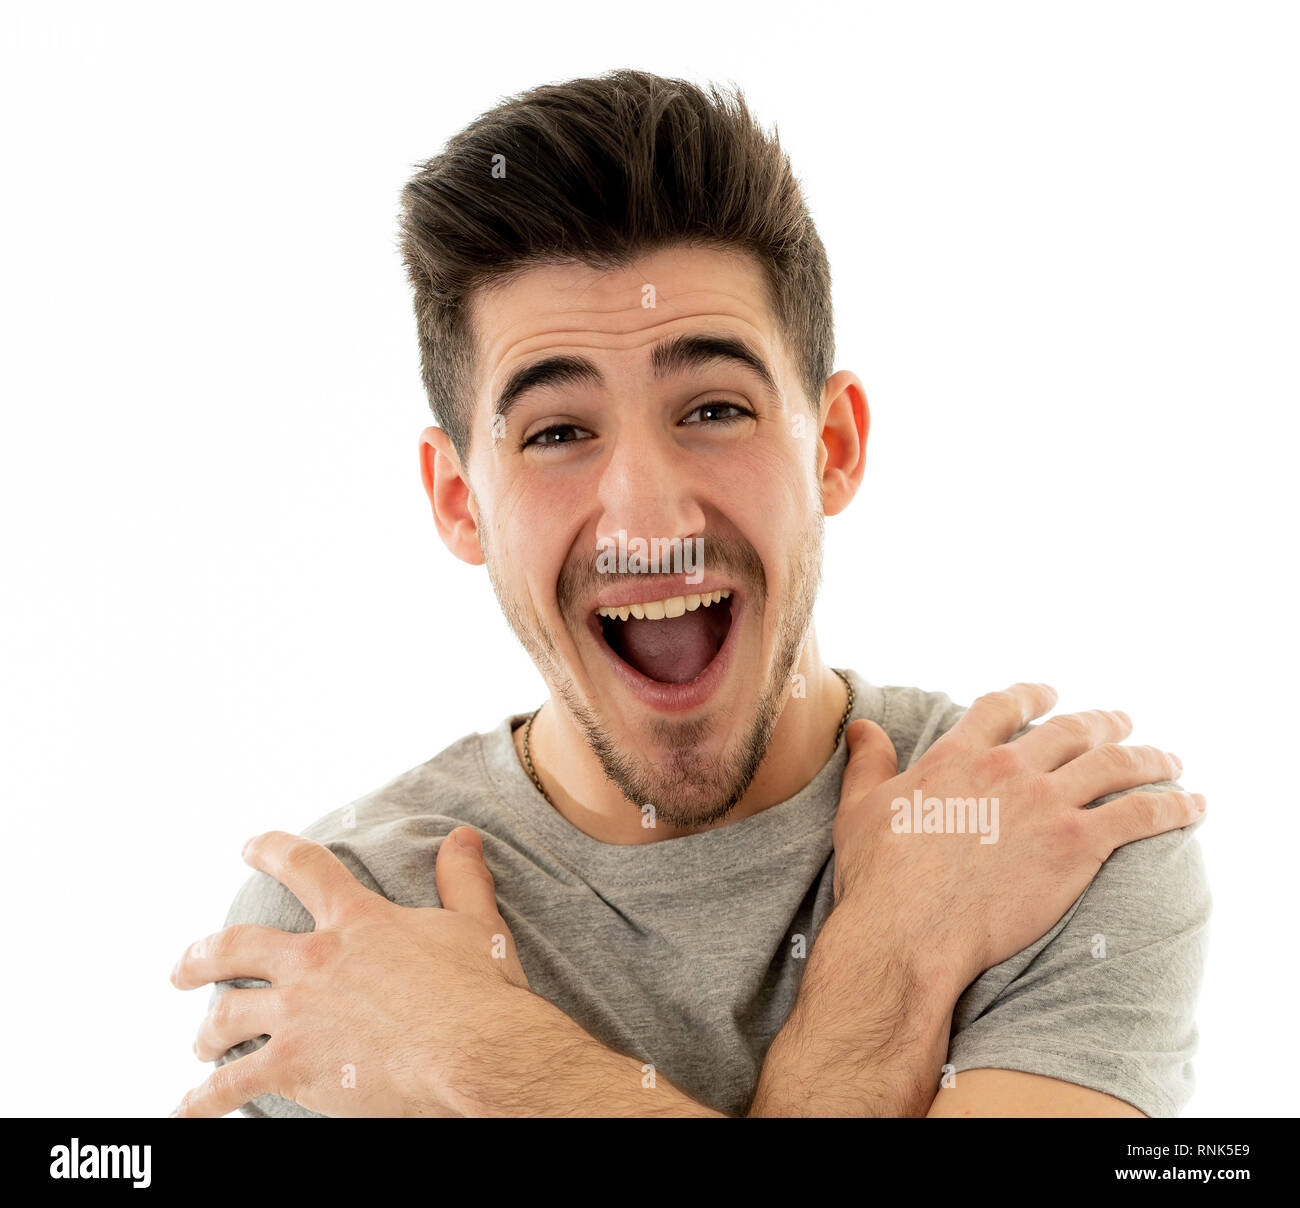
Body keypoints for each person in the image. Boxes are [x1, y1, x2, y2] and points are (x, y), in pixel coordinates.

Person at [169, 69, 1208, 1119]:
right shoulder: (342, 941)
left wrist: (478, 1058)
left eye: (713, 408)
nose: (647, 522)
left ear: (832, 445)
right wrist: (892, 969)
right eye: (558, 432)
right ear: (458, 502)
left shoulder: (1038, 835)